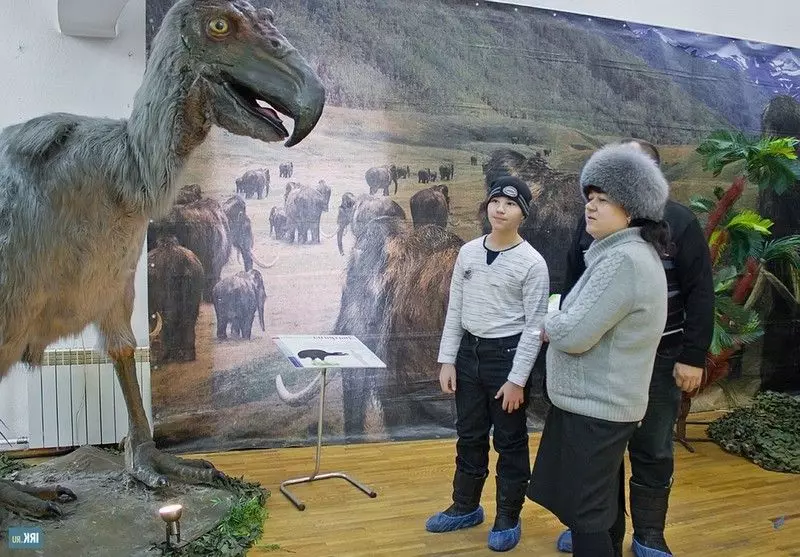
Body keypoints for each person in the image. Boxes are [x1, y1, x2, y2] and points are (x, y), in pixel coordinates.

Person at [556, 139, 714, 557]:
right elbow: (573, 283)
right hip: (604, 358)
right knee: (602, 451)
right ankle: (595, 526)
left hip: (662, 357)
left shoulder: (679, 221)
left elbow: (700, 292)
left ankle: (649, 534)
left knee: (653, 447)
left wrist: (692, 356)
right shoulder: (595, 223)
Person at [527, 143, 670, 557]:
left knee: (587, 515)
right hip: (602, 405)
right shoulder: (628, 254)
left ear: (633, 208)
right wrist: (563, 319)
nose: (591, 207)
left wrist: (550, 317)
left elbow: (572, 333)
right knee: (602, 507)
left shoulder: (622, 261)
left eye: (603, 200)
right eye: (590, 198)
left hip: (596, 410)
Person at [426, 175, 550, 552]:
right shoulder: (468, 252)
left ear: (522, 214)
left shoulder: (532, 264)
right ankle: (465, 506)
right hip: (468, 355)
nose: (500, 208)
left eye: (510, 204)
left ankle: (508, 515)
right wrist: (447, 359)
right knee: (469, 434)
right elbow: (455, 309)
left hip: (507, 358)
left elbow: (534, 328)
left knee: (510, 441)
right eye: (496, 200)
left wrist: (517, 380)